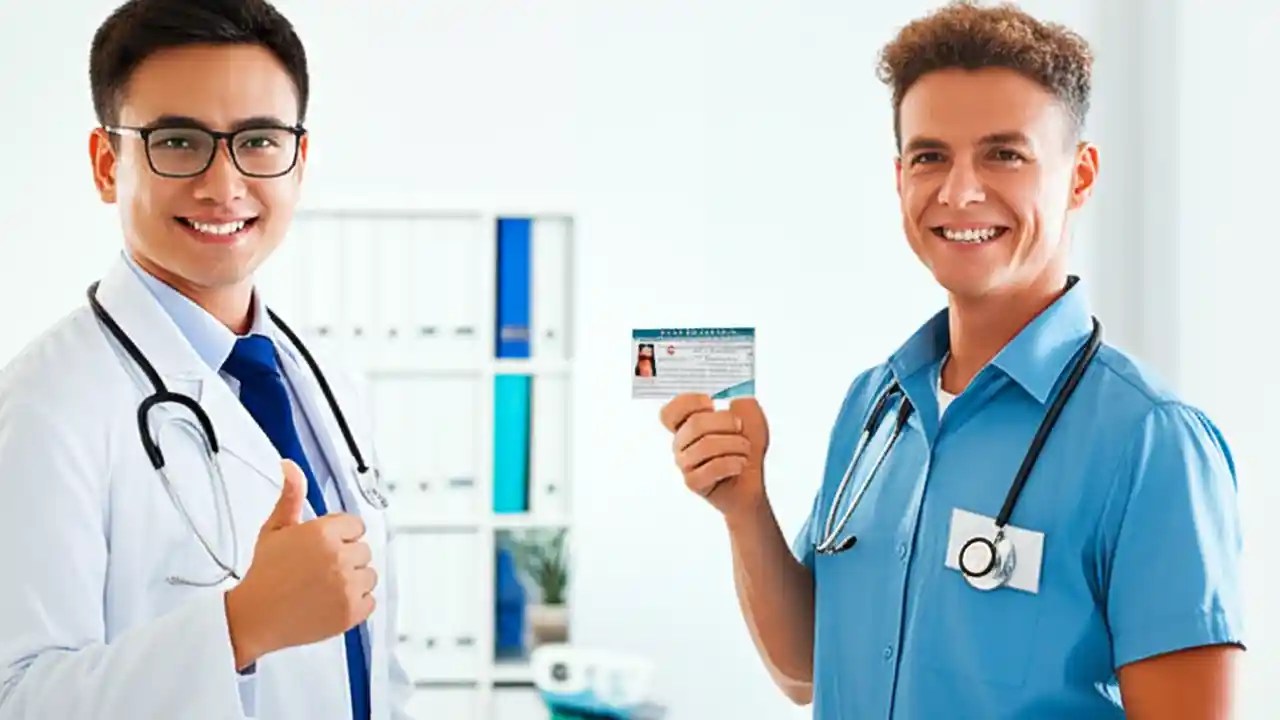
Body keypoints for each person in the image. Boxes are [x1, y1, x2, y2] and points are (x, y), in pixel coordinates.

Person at [658, 3, 1244, 719]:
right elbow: (807, 671)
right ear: (900, 175)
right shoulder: (875, 408)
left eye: (1005, 153)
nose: (959, 191)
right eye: (931, 156)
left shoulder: (1153, 443)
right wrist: (744, 508)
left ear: (1080, 177)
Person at [0, 1, 412, 718]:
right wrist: (240, 627)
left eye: (257, 141)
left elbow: (375, 664)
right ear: (107, 164)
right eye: (180, 142)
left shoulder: (330, 384)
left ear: (299, 160)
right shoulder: (44, 407)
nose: (224, 185)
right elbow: (18, 695)